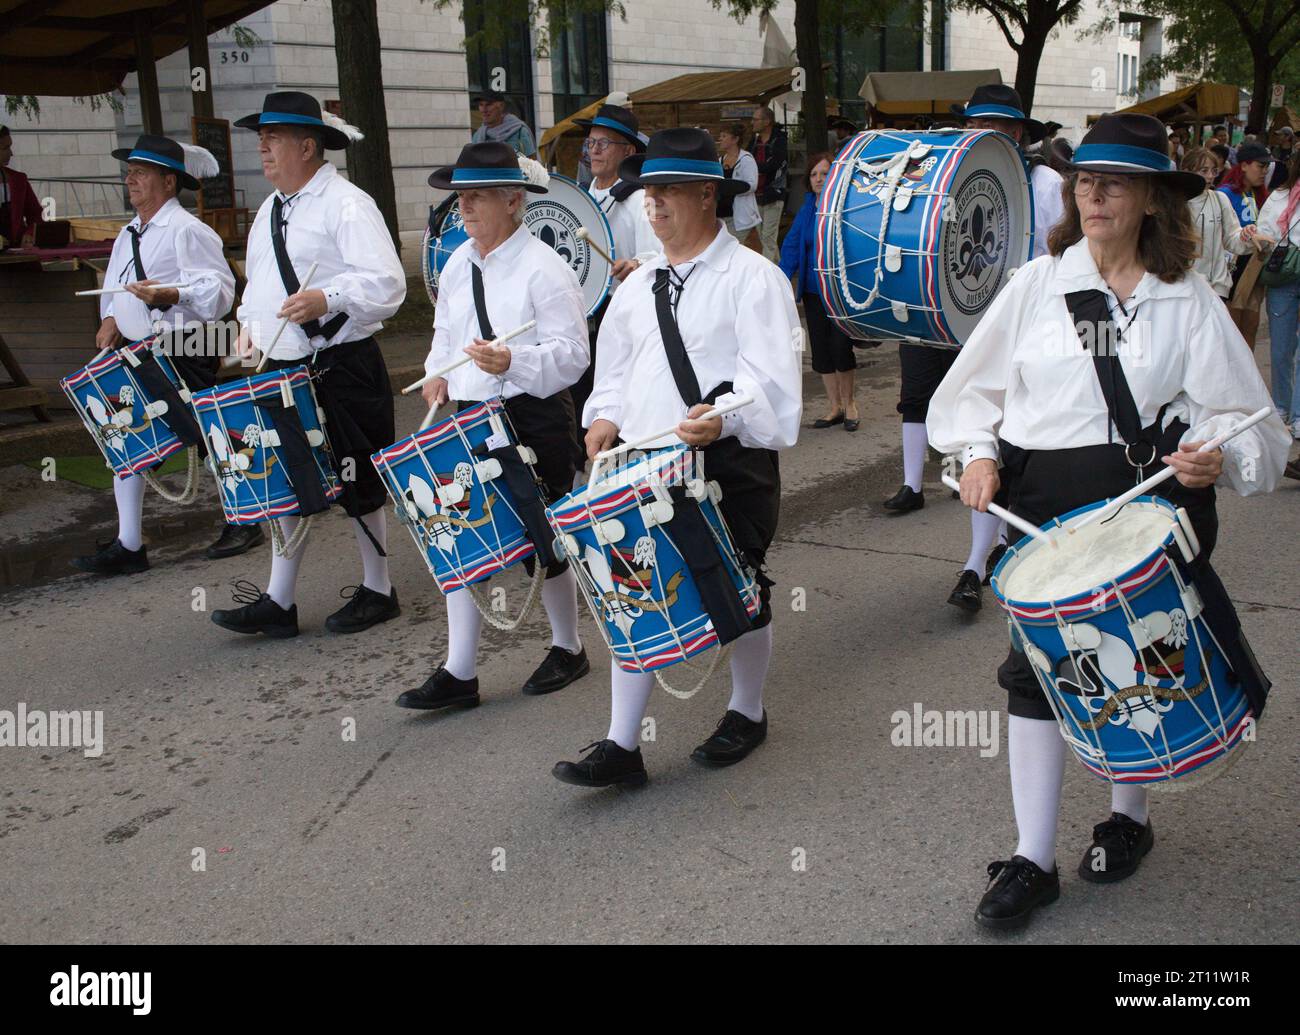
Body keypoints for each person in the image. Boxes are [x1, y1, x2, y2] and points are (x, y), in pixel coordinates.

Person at [928, 112, 1290, 930]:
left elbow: (1255, 426)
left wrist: (1216, 457)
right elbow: (967, 396)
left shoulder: (1187, 302)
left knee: (1142, 661)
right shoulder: (1037, 285)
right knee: (1038, 672)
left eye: (1114, 180)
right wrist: (977, 455)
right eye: (1085, 179)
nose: (1093, 192)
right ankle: (1032, 857)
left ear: (1153, 199)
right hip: (1044, 503)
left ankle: (1130, 817)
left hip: (1152, 505)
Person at [552, 128, 802, 788]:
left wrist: (724, 413)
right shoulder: (637, 287)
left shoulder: (756, 279)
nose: (652, 204)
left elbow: (772, 378)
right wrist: (603, 415)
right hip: (643, 462)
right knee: (633, 590)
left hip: (726, 460)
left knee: (741, 587)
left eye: (664, 192)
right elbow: (616, 370)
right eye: (646, 194)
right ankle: (621, 744)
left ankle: (747, 711)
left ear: (706, 196)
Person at [396, 142, 592, 710]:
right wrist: (438, 374)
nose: (464, 207)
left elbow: (574, 355)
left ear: (513, 200)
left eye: (477, 195)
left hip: (535, 414)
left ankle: (569, 647)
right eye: (460, 197)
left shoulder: (546, 267)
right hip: (472, 416)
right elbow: (444, 332)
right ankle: (460, 673)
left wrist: (515, 363)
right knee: (459, 531)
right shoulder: (458, 262)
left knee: (543, 536)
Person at [213, 92, 406, 638]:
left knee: (358, 474)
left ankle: (378, 588)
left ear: (306, 145)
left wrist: (329, 297)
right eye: (262, 138)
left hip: (341, 362)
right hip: (282, 364)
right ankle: (279, 600)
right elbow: (258, 285)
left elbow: (388, 282)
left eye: (272, 138)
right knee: (282, 478)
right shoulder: (272, 208)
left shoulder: (347, 203)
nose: (263, 147)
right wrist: (248, 330)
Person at [884, 84, 1068, 614]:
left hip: (1019, 324)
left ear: (1017, 133)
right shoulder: (943, 178)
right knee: (970, 434)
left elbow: (1060, 254)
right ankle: (975, 561)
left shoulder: (1046, 182)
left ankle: (983, 558)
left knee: (1002, 439)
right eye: (974, 125)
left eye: (995, 126)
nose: (981, 135)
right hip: (949, 318)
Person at [71, 133, 247, 576]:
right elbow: (114, 284)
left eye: (140, 172)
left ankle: (244, 520)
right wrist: (111, 317)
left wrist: (170, 294)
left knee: (207, 437)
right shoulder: (129, 232)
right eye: (129, 171)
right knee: (123, 437)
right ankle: (129, 544)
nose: (129, 179)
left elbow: (219, 292)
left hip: (181, 348)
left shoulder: (189, 230)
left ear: (168, 183)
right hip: (135, 349)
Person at [569, 104, 661, 461]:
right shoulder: (581, 198)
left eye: (604, 143)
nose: (593, 150)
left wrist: (637, 264)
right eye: (590, 143)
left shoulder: (642, 199)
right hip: (582, 313)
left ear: (629, 151)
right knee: (580, 395)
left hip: (621, 312)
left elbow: (661, 253)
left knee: (618, 395)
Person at [779, 150, 859, 431]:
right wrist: (780, 278)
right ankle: (834, 407)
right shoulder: (807, 207)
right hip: (813, 292)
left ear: (835, 175)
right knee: (822, 351)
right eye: (814, 174)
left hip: (838, 290)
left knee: (840, 346)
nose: (818, 178)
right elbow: (791, 244)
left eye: (824, 173)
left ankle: (850, 404)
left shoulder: (846, 205)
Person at [1255, 149, 1300, 440]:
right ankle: (1282, 407)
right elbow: (1264, 230)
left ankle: (1298, 415)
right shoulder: (1280, 197)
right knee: (1281, 349)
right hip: (1284, 277)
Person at [1182, 147, 1264, 302]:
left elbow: (1232, 239)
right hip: (1181, 287)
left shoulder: (1220, 199)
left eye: (1214, 171)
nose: (1210, 176)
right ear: (1187, 171)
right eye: (1203, 170)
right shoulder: (1173, 202)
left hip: (1216, 287)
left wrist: (1246, 235)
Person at [748, 105, 788, 262]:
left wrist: (754, 167)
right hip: (757, 193)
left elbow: (775, 164)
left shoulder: (779, 140)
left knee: (768, 237)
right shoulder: (754, 141)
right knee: (764, 237)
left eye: (756, 119)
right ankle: (780, 268)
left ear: (767, 121)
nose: (753, 122)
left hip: (773, 193)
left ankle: (768, 274)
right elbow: (746, 161)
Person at [0, 125, 42, 249]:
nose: (11, 153)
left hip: (18, 253)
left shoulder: (18, 179)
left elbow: (35, 215)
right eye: (5, 148)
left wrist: (30, 233)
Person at [718, 122, 759, 246]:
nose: (720, 139)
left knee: (731, 249)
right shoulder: (720, 160)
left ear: (735, 139)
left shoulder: (746, 159)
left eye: (724, 136)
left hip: (738, 216)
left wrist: (732, 187)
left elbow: (752, 185)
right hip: (721, 215)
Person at [471, 91, 536, 159]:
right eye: (481, 105)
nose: (484, 110)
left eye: (488, 104)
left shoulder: (519, 131)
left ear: (501, 106)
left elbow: (532, 163)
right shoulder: (478, 135)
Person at [1268, 126, 1295, 191]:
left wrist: (1290, 167)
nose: (1277, 137)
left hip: (1285, 188)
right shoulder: (1273, 150)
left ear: (1287, 137)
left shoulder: (1295, 154)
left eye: (1280, 135)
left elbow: (1295, 174)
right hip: (1270, 185)